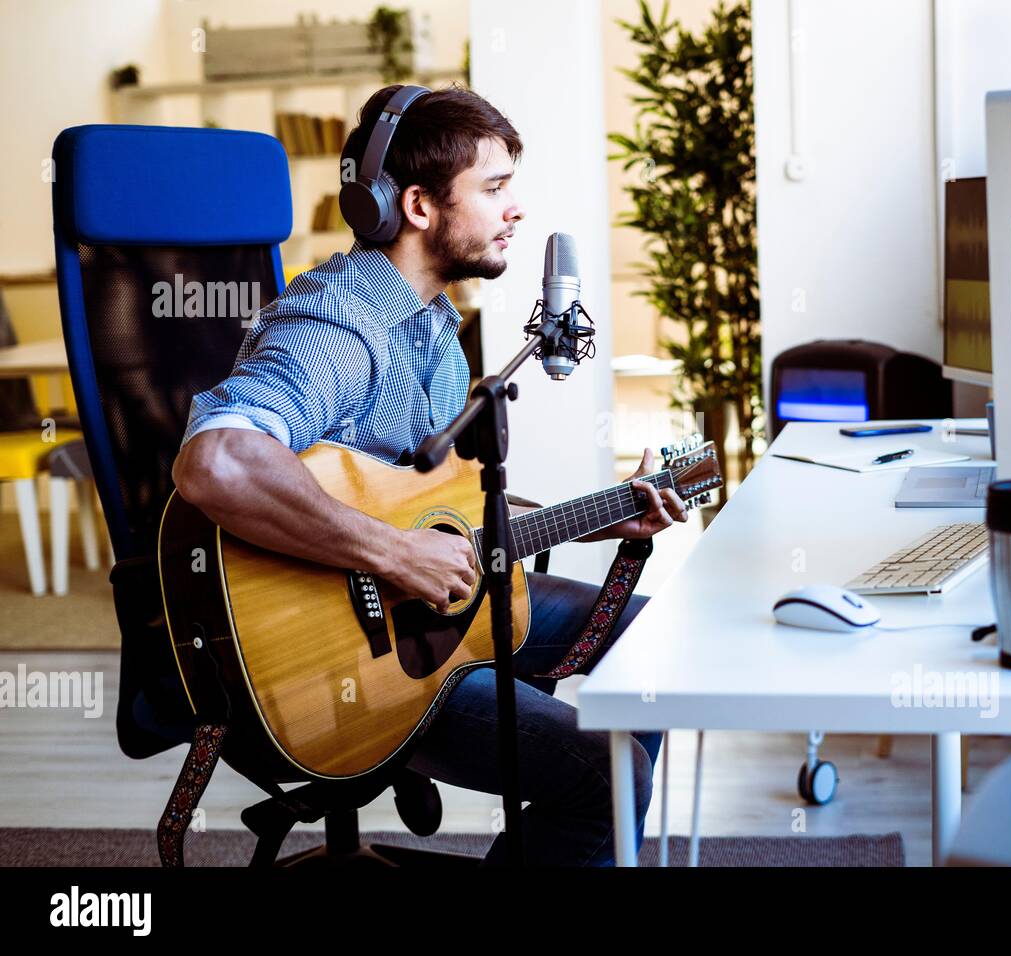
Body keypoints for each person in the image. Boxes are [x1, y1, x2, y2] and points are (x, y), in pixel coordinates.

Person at [170, 84, 688, 865]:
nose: (515, 210)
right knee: (602, 774)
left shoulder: (436, 331)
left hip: (431, 615)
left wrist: (600, 515)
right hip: (338, 664)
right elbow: (215, 461)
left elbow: (435, 505)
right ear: (417, 205)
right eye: (495, 188)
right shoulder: (336, 326)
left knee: (653, 639)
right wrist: (393, 553)